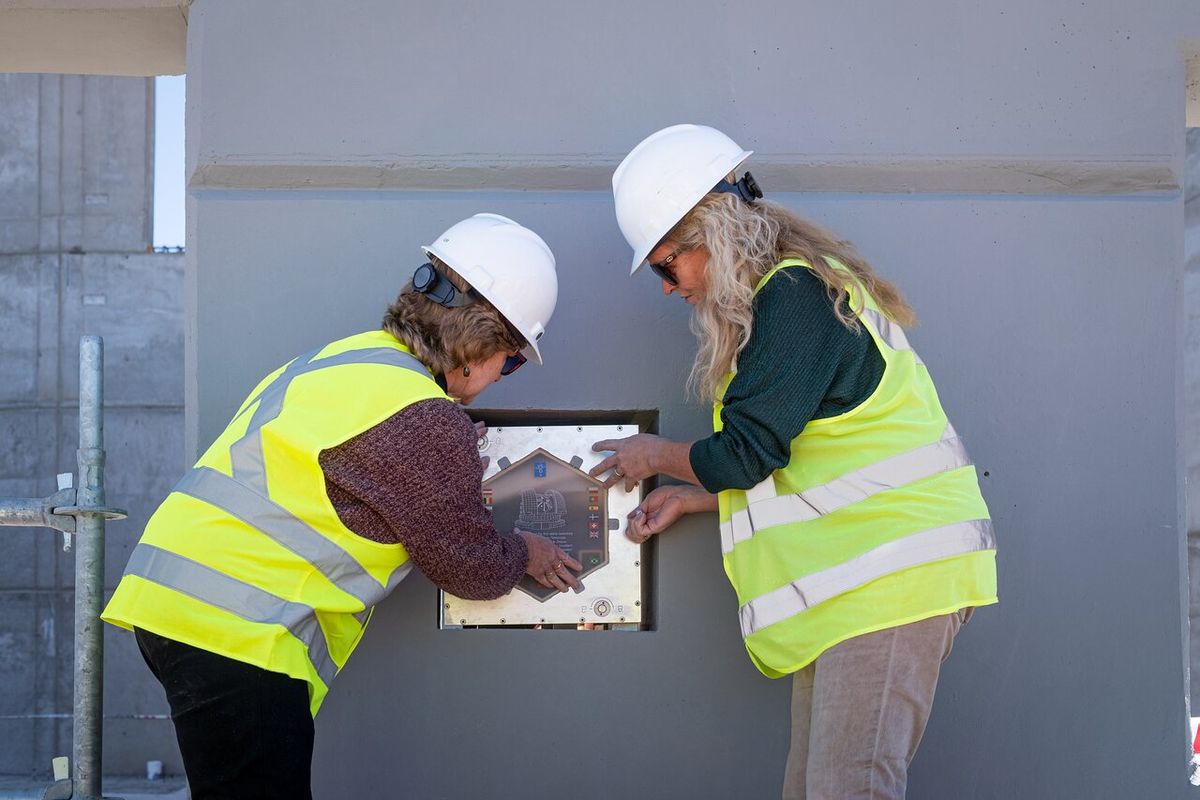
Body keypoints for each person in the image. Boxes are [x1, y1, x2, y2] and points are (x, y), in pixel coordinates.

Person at [102, 213, 583, 800]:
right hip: (236, 630)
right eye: (510, 360)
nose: (505, 375)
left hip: (183, 603)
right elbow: (469, 567)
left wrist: (448, 452)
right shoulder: (424, 419)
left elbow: (370, 465)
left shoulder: (351, 360)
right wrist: (526, 551)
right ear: (478, 344)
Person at [591, 124, 997, 799]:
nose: (666, 288)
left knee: (847, 788)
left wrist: (653, 455)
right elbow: (807, 455)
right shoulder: (790, 298)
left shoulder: (795, 299)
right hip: (861, 589)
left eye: (666, 266)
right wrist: (698, 497)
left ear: (712, 233)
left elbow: (746, 454)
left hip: (890, 582)